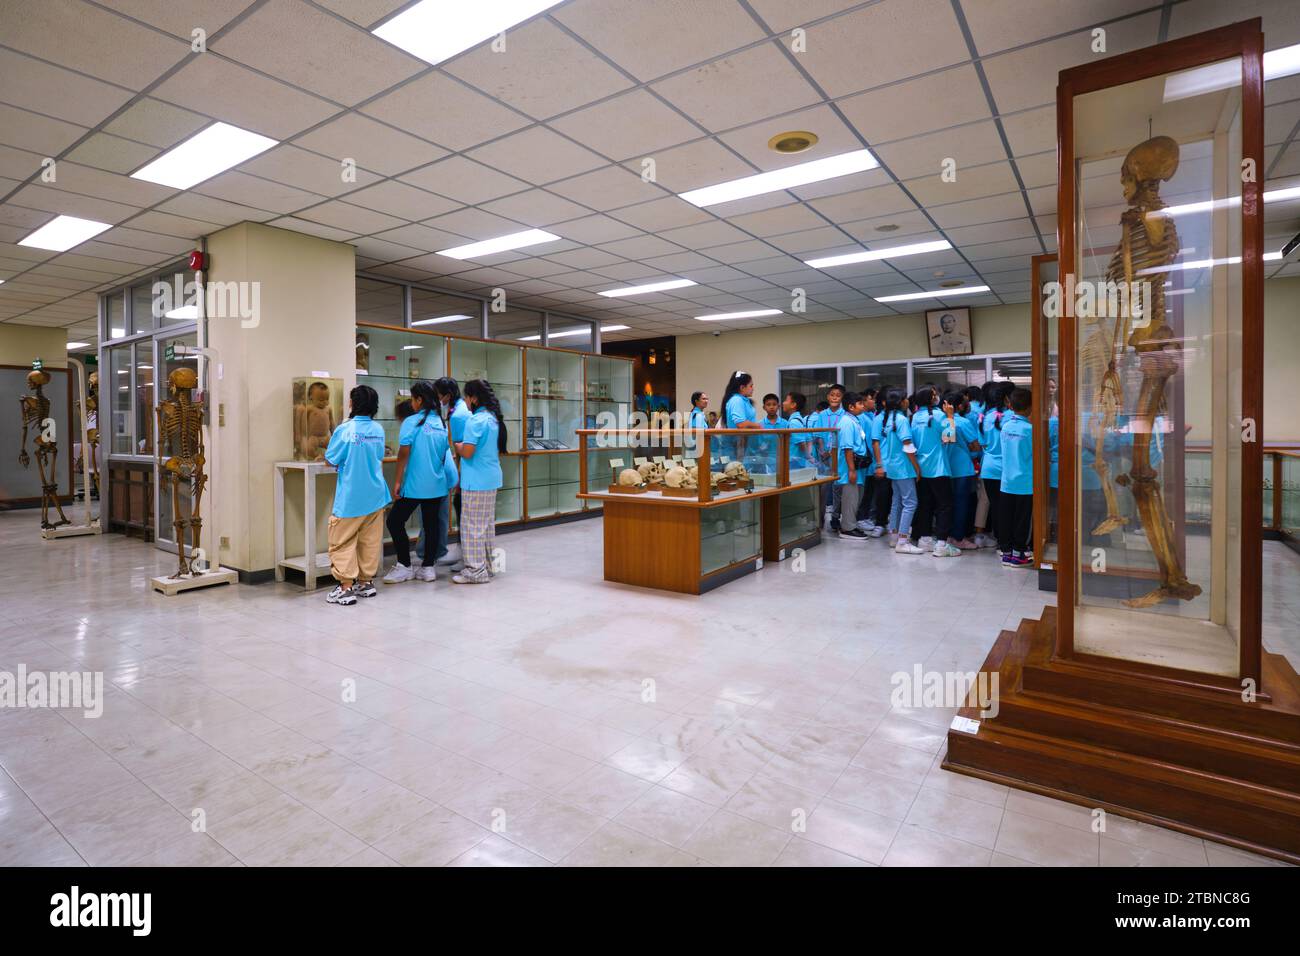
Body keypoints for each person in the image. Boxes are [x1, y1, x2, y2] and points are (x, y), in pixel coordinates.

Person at [384, 380, 457, 584]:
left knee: (394, 521)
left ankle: (404, 565)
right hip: (437, 485)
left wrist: (397, 481)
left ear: (419, 400)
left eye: (413, 399)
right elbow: (443, 454)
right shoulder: (441, 423)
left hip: (415, 486)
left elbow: (403, 454)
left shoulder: (412, 422)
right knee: (431, 525)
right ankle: (427, 568)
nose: (412, 403)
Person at [323, 385, 391, 605]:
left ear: (352, 403)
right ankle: (366, 582)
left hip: (351, 497)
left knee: (341, 541)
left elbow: (330, 459)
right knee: (369, 542)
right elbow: (378, 456)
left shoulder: (345, 430)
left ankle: (345, 587)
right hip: (376, 494)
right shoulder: (378, 430)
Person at [452, 379, 507, 585]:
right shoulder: (492, 419)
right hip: (490, 479)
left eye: (467, 396)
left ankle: (475, 571)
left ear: (473, 398)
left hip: (476, 481)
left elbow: (467, 452)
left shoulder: (475, 421)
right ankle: (487, 566)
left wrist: (457, 446)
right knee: (485, 525)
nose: (465, 401)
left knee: (471, 527)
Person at [872, 387, 924, 555]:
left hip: (893, 467)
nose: (908, 401)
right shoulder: (901, 420)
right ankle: (903, 540)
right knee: (910, 503)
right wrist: (917, 468)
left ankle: (894, 536)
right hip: (904, 467)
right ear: (900, 402)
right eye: (905, 398)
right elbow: (907, 445)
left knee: (897, 502)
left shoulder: (886, 419)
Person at [910, 387, 960, 557]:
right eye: (934, 394)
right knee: (945, 505)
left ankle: (925, 539)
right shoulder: (939, 415)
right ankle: (941, 543)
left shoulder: (915, 417)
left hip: (921, 468)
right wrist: (951, 416)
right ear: (932, 399)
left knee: (925, 504)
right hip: (938, 467)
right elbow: (949, 438)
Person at [432, 377, 469, 568]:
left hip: (467, 469)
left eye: (438, 394)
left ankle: (465, 554)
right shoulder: (456, 410)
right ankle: (461, 550)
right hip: (465, 467)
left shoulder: (458, 415)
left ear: (446, 395)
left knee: (461, 506)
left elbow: (461, 448)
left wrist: (459, 477)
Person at [976, 381, 1014, 552]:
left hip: (988, 468)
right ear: (1007, 399)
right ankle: (1009, 542)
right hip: (1007, 468)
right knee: (1008, 507)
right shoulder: (1011, 417)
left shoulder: (983, 417)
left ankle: (1000, 542)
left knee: (996, 507)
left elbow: (982, 444)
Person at [999, 388, 1034, 568]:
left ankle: (1007, 553)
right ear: (1030, 407)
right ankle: (1019, 554)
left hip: (1006, 482)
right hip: (1026, 483)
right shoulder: (1030, 430)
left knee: (1007, 518)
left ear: (1010, 405)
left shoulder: (1005, 426)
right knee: (1023, 519)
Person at [943, 389, 982, 550]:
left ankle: (947, 535)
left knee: (947, 504)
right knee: (961, 504)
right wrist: (972, 452)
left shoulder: (942, 420)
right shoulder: (964, 423)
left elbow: (946, 440)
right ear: (959, 406)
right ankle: (958, 537)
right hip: (963, 468)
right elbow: (975, 445)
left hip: (946, 467)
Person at [835, 392, 870, 541]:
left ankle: (851, 524)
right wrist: (851, 470)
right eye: (860, 403)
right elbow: (847, 448)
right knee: (850, 498)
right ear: (851, 406)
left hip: (857, 467)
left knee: (856, 498)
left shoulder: (854, 420)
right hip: (850, 468)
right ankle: (847, 529)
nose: (863, 406)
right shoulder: (846, 423)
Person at [718, 370, 762, 462]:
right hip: (738, 445)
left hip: (745, 443)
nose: (753, 388)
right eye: (751, 386)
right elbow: (740, 424)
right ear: (742, 387)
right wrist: (758, 426)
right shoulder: (736, 400)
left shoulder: (743, 400)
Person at [783, 391, 812, 468]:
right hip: (797, 461)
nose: (783, 403)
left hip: (794, 462)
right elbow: (809, 440)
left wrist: (809, 458)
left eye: (786, 400)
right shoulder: (799, 420)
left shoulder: (794, 422)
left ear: (793, 405)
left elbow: (802, 444)